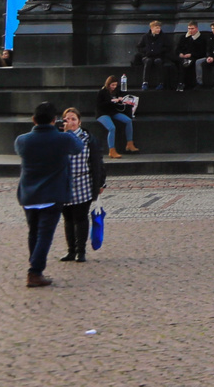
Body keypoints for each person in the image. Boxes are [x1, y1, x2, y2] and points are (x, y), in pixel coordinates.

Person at [15, 101, 81, 287]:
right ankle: (35, 271)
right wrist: (67, 130)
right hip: (52, 194)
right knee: (45, 234)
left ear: (34, 119)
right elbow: (78, 148)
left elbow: (22, 149)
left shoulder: (22, 140)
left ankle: (35, 267)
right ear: (54, 120)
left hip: (29, 195)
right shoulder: (63, 139)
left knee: (33, 232)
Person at [57, 108, 105, 262]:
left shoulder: (88, 139)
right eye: (67, 119)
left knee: (80, 217)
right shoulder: (58, 138)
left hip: (83, 181)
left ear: (79, 122)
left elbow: (98, 161)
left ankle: (81, 251)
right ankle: (71, 250)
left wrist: (101, 182)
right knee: (68, 218)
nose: (70, 122)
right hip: (64, 184)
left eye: (73, 119)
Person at [95, 75, 137, 157]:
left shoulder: (115, 91)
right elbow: (99, 105)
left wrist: (121, 100)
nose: (114, 87)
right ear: (108, 84)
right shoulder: (102, 92)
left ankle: (129, 143)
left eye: (115, 85)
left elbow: (117, 100)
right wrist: (112, 101)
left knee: (128, 120)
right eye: (112, 85)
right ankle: (112, 150)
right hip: (102, 113)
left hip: (112, 112)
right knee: (112, 128)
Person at [135, 21, 172, 92]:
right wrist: (147, 50)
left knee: (158, 61)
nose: (158, 30)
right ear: (152, 28)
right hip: (147, 56)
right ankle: (145, 82)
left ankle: (160, 83)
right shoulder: (145, 37)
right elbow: (139, 47)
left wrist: (159, 50)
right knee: (148, 61)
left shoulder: (163, 37)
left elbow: (168, 47)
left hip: (159, 56)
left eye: (159, 28)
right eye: (157, 28)